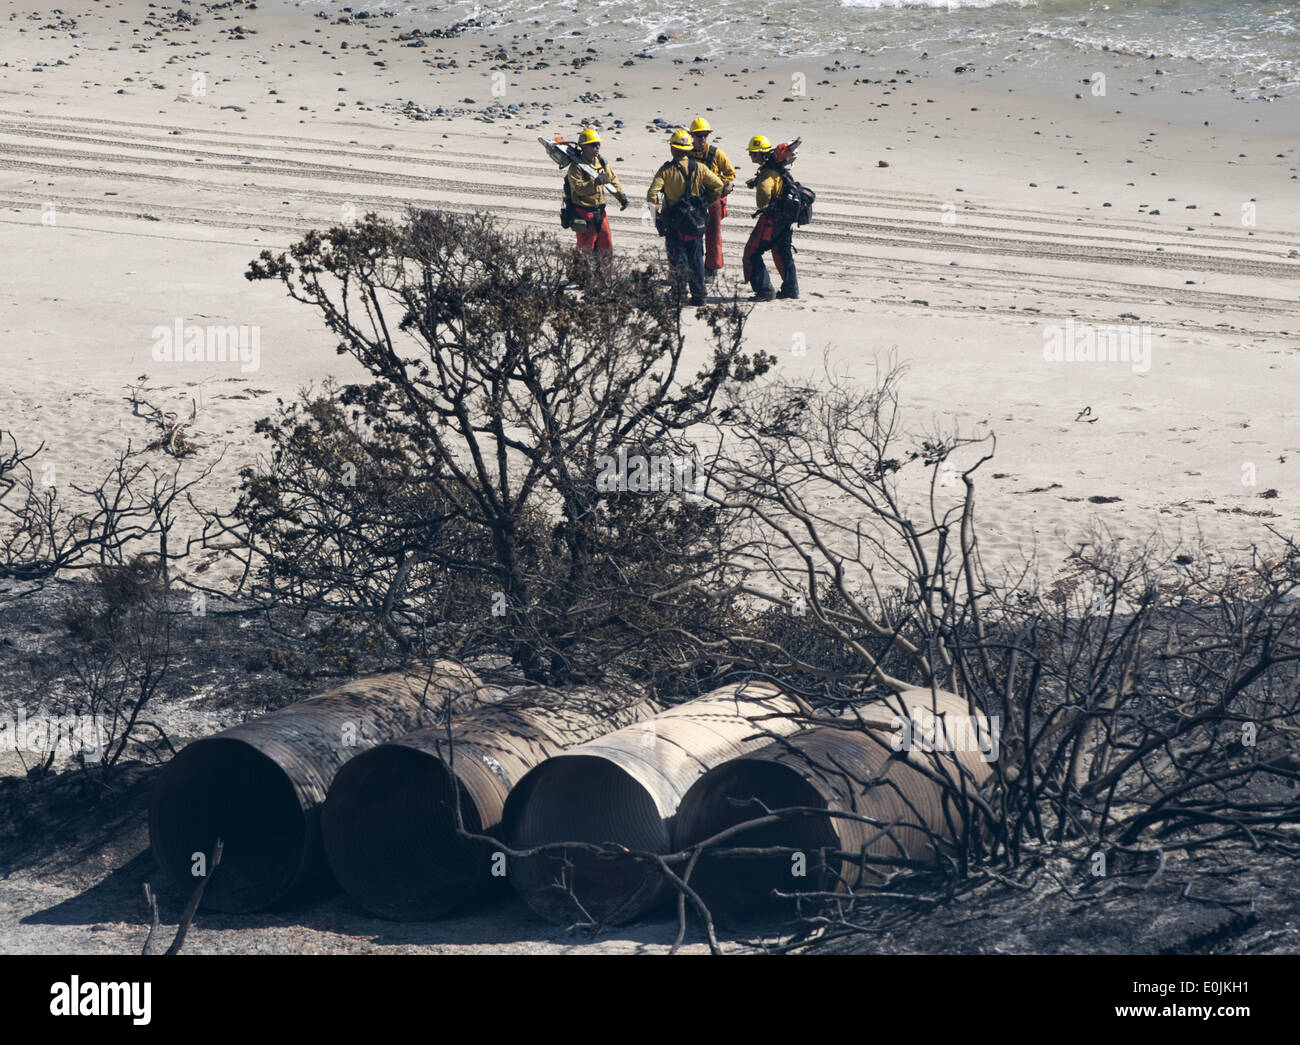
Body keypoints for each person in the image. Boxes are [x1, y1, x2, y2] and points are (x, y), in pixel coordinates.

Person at [647, 129, 725, 306]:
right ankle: (699, 296)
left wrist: (655, 216)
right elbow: (719, 185)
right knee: (697, 259)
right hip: (695, 221)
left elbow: (652, 194)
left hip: (674, 222)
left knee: (678, 259)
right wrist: (704, 201)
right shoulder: (699, 167)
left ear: (673, 149)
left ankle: (679, 294)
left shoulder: (666, 170)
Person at [742, 134, 798, 301]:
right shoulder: (778, 168)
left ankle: (765, 290)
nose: (751, 156)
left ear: (760, 154)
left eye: (753, 153)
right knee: (783, 251)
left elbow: (764, 197)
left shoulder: (768, 172)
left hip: (772, 219)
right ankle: (790, 289)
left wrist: (763, 205)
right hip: (785, 219)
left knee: (751, 253)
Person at [564, 127, 628, 256]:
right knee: (585, 249)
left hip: (600, 211)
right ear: (584, 147)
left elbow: (612, 180)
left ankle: (604, 276)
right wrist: (596, 182)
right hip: (583, 213)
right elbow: (579, 189)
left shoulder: (602, 162)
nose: (597, 147)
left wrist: (621, 196)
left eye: (598, 144)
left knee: (606, 246)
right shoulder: (575, 167)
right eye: (593, 145)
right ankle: (583, 275)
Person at [687, 117, 736, 281]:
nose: (702, 139)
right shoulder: (685, 153)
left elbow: (730, 173)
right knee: (693, 233)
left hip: (713, 200)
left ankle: (711, 269)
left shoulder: (716, 153)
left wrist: (719, 184)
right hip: (693, 200)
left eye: (705, 135)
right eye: (699, 135)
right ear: (692, 136)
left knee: (713, 234)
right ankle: (694, 267)